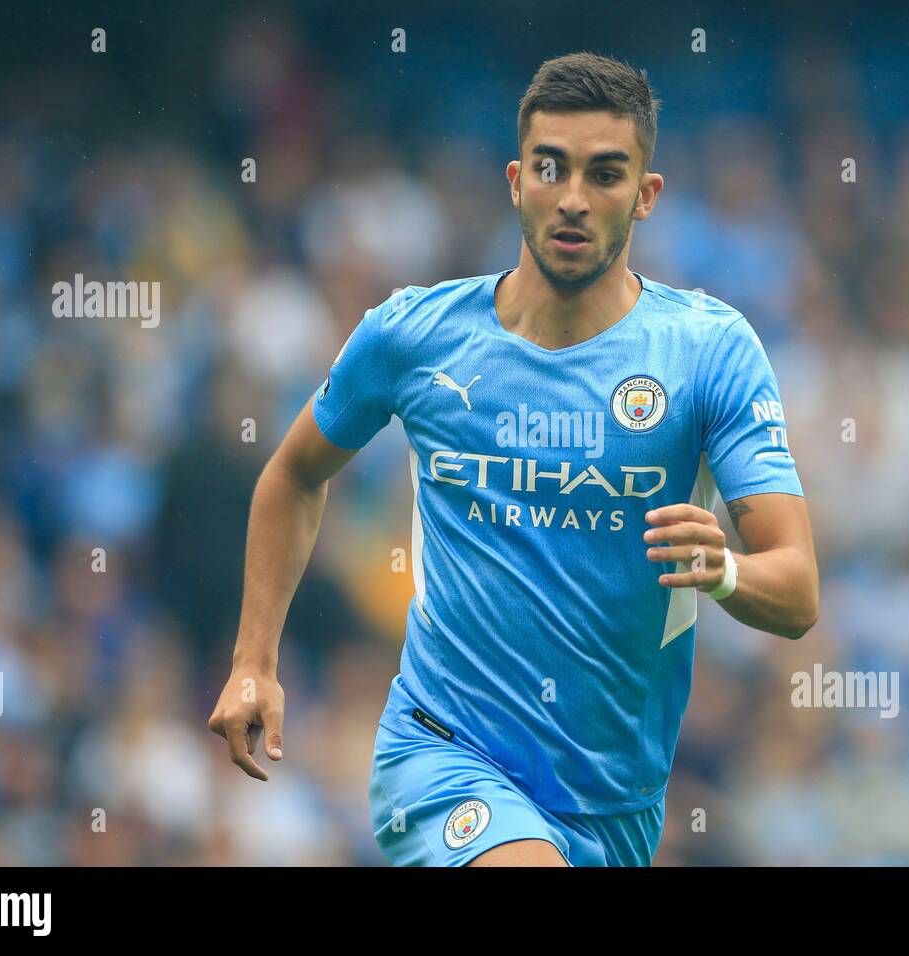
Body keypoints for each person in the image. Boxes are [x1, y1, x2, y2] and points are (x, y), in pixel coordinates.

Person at [208, 51, 819, 866]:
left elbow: (799, 586)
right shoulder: (414, 335)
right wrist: (254, 662)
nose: (572, 198)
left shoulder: (708, 353)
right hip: (443, 755)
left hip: (616, 804)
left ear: (646, 196)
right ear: (515, 179)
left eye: (605, 175)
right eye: (550, 168)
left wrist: (726, 572)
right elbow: (293, 473)